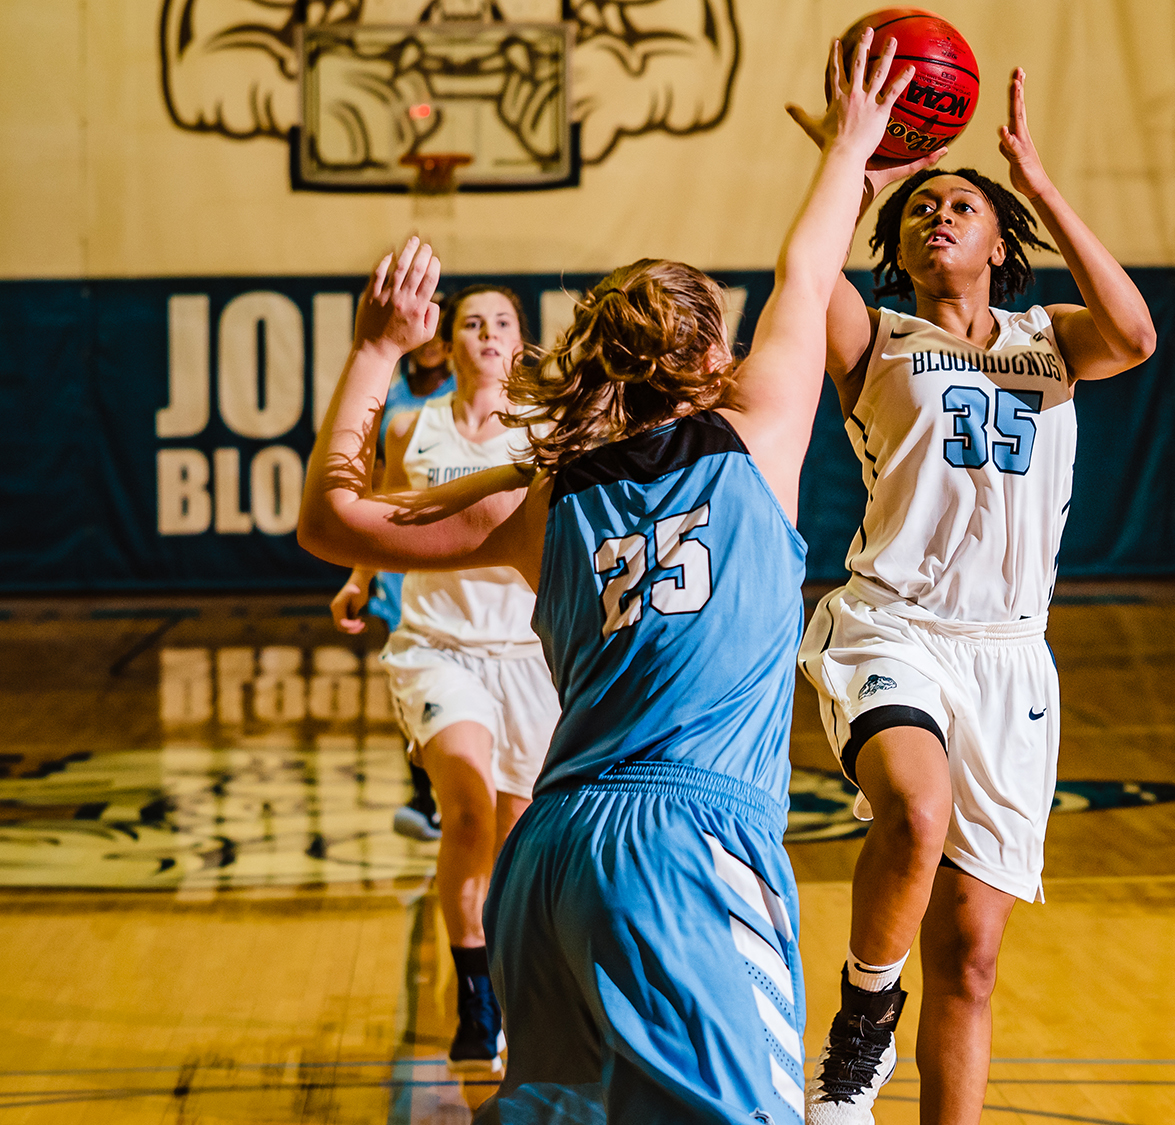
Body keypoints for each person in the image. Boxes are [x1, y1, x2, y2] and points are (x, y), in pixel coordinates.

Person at [297, 30, 931, 1122]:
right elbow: (806, 270)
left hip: (547, 858)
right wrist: (851, 153)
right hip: (686, 847)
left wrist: (374, 350)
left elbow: (330, 521)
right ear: (703, 359)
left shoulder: (536, 494)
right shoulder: (757, 430)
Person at [787, 67, 1156, 1125]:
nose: (936, 216)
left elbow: (1135, 335)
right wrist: (850, 169)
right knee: (911, 808)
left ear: (1000, 241)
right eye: (919, 211)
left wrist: (1031, 179)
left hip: (1008, 653)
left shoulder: (1053, 339)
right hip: (889, 625)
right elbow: (804, 272)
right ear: (897, 251)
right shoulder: (876, 339)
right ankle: (861, 1023)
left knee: (974, 958)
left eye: (960, 206)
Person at [349, 281, 564, 1075]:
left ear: (517, 341)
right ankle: (475, 992)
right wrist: (359, 576)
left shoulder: (547, 431)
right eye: (471, 321)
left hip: (528, 655)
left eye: (500, 321)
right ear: (454, 338)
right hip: (437, 644)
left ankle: (506, 978)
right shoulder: (413, 422)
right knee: (467, 806)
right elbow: (381, 507)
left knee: (513, 841)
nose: (485, 333)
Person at [329, 321, 456, 842]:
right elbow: (385, 483)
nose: (433, 346)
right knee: (411, 680)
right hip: (404, 558)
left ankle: (473, 792)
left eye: (442, 336)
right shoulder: (394, 399)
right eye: (427, 335)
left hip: (461, 567)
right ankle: (426, 798)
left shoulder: (473, 397)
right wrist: (362, 570)